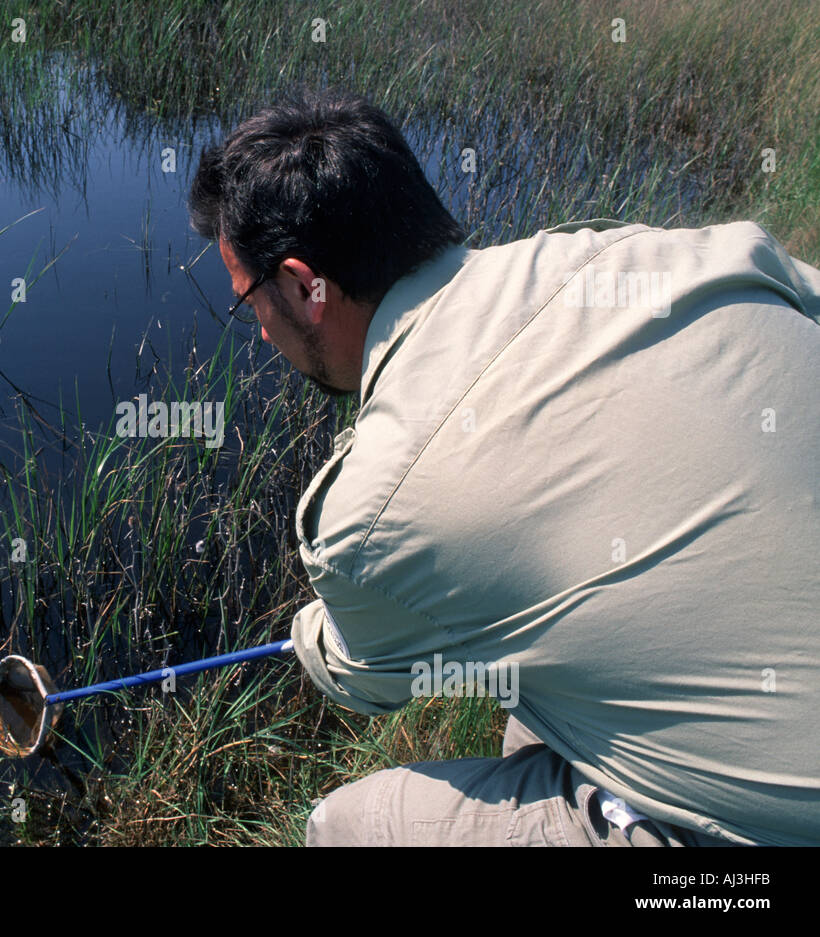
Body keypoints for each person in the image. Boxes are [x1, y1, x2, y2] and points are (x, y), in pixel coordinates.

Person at [187, 87, 820, 846]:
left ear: (301, 286)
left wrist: (309, 634)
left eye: (246, 300)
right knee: (532, 691)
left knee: (343, 824)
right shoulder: (664, 253)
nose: (257, 331)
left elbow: (366, 678)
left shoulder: (371, 512)